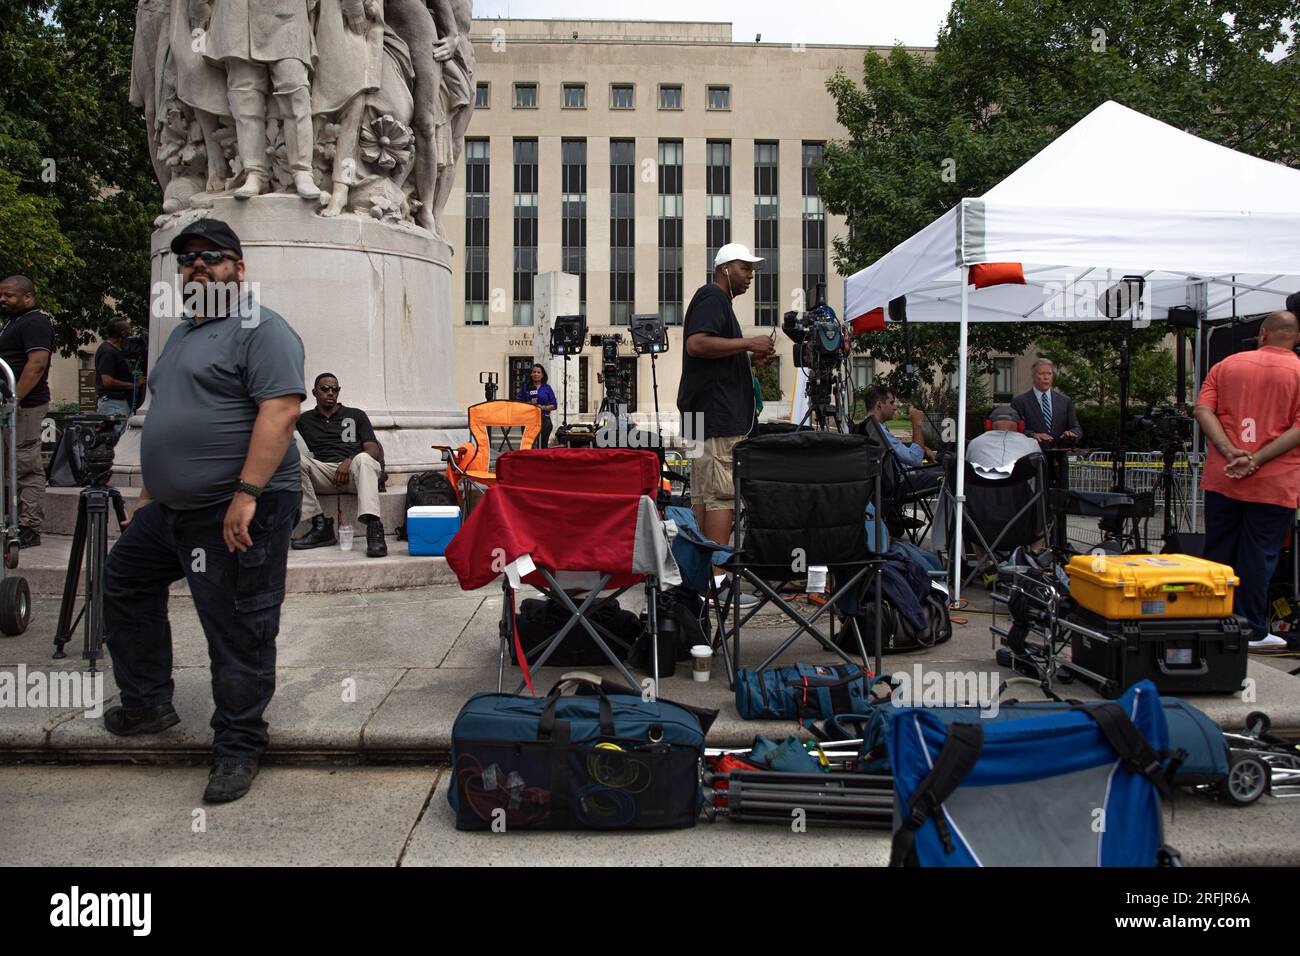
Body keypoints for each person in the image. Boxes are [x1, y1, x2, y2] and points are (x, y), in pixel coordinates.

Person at [101, 218, 306, 804]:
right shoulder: (182, 335)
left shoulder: (261, 328)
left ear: (238, 270)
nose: (197, 265)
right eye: (186, 258)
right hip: (169, 510)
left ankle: (239, 745)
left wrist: (246, 493)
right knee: (125, 583)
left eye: (212, 257)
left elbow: (281, 412)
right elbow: (165, 417)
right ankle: (147, 705)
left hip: (236, 506)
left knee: (238, 625)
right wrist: (147, 496)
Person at [1194, 310, 1300, 649]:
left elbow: (1202, 410)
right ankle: (1251, 629)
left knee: (1219, 551)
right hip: (1274, 483)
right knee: (1259, 555)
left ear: (1264, 333)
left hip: (1223, 477)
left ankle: (1211, 620)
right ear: (1295, 338)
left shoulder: (1227, 365)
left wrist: (1228, 451)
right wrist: (1257, 458)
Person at [676, 242, 775, 605]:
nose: (751, 276)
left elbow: (711, 360)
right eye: (745, 268)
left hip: (702, 419)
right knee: (721, 497)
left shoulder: (719, 304)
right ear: (724, 269)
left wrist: (749, 360)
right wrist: (749, 342)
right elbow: (697, 345)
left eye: (752, 269)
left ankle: (702, 582)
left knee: (703, 497)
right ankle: (717, 582)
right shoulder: (712, 297)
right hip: (717, 422)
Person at [291, 373, 388, 557]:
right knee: (293, 461)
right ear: (314, 392)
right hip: (324, 474)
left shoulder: (356, 415)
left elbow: (373, 450)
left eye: (335, 389)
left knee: (365, 459)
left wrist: (350, 460)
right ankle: (320, 526)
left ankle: (374, 527)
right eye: (325, 389)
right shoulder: (305, 420)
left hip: (355, 473)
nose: (330, 393)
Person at [0, 275, 55, 549]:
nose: (3, 299)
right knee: (9, 465)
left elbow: (37, 363)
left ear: (27, 297)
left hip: (25, 407)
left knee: (25, 466)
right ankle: (11, 520)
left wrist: (15, 397)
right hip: (11, 406)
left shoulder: (35, 322)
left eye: (9, 295)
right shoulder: (14, 322)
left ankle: (29, 526)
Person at [862, 385, 943, 495]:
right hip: (902, 482)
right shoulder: (878, 432)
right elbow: (915, 459)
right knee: (950, 474)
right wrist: (917, 424)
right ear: (879, 405)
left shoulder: (868, 427)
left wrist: (923, 449)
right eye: (891, 403)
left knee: (941, 471)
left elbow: (895, 449)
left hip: (889, 482)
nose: (894, 407)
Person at [1012, 358, 1082, 448]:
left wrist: (1072, 433)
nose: (1046, 377)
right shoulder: (1019, 402)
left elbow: (1076, 428)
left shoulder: (1065, 401)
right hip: (1031, 455)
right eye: (1042, 374)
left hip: (1058, 457)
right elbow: (1014, 430)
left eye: (1049, 374)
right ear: (1033, 376)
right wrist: (1033, 435)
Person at [966, 405, 1041, 477]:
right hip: (1019, 488)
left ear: (988, 425)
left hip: (982, 488)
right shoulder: (1032, 444)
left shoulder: (974, 443)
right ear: (1020, 426)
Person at [95, 318, 147, 420]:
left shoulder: (116, 350)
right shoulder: (108, 352)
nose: (131, 333)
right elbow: (107, 381)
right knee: (118, 434)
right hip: (113, 404)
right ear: (122, 333)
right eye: (129, 330)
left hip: (119, 403)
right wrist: (134, 385)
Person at [516, 364, 556, 448]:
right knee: (529, 446)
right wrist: (529, 403)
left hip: (544, 419)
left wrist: (543, 407)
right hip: (528, 420)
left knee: (543, 445)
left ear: (542, 375)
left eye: (538, 372)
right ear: (531, 374)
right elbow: (518, 404)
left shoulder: (547, 388)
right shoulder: (525, 387)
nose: (536, 374)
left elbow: (554, 405)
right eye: (534, 372)